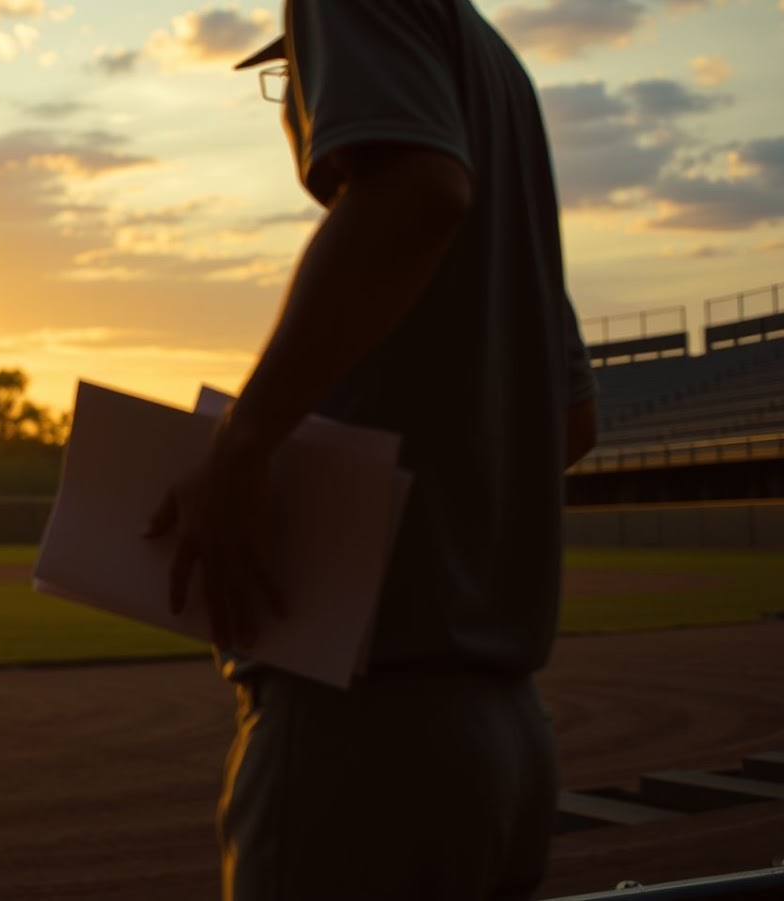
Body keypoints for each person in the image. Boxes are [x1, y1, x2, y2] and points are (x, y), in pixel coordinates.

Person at [142, 1, 599, 898]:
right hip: (507, 731)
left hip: (366, 722)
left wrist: (245, 445)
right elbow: (573, 421)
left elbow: (418, 189)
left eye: (297, 72)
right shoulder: (498, 71)